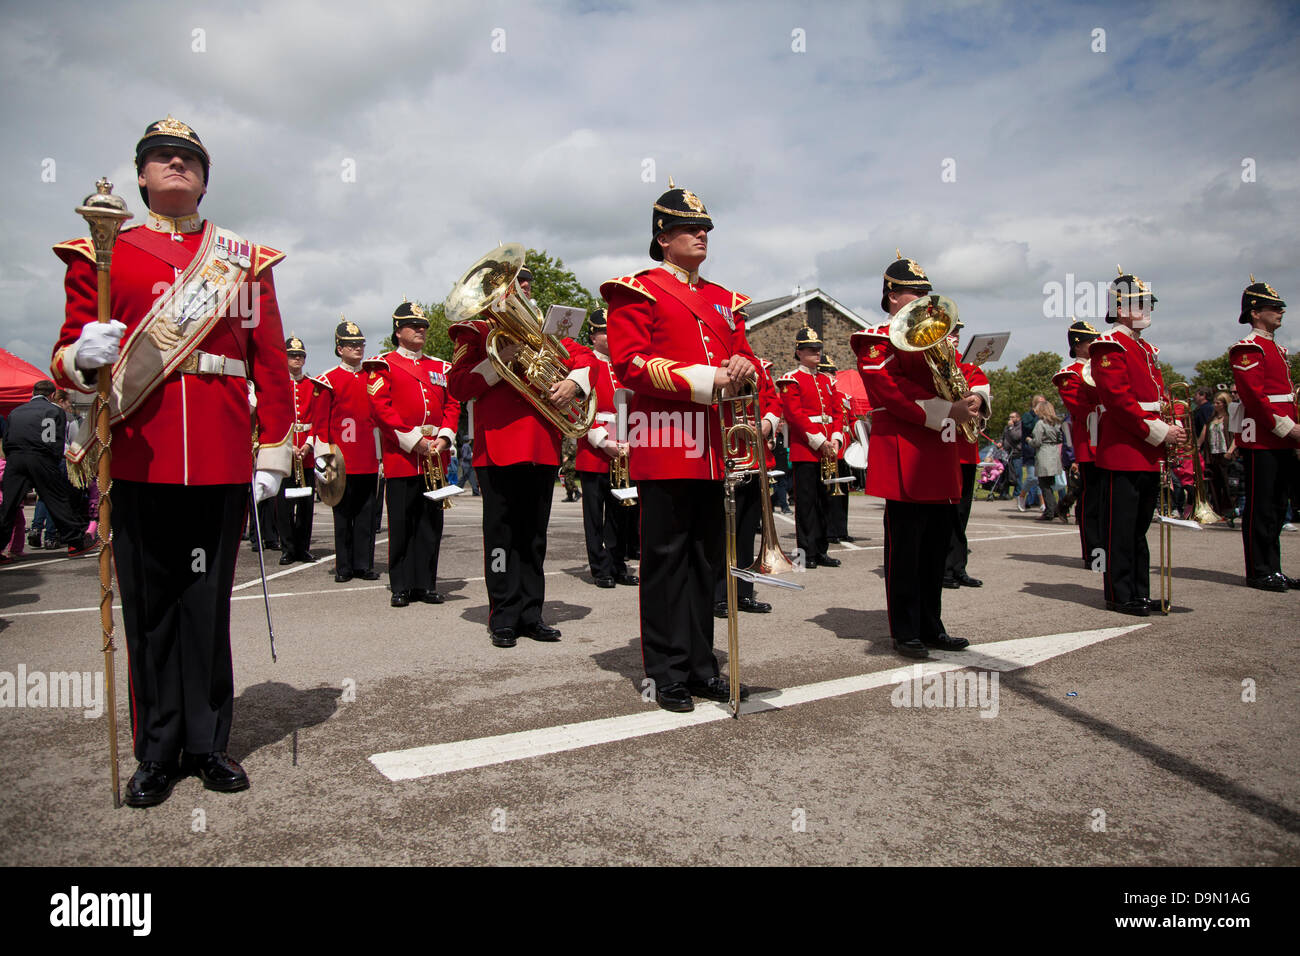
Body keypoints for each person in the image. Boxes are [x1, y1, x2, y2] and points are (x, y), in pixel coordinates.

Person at [49, 116, 294, 806]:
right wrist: (79, 357)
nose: (176, 163)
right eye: (161, 156)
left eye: (188, 156)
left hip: (218, 456)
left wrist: (274, 450)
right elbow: (66, 356)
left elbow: (270, 363)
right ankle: (157, 750)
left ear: (205, 176)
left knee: (207, 606)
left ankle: (209, 742)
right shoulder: (101, 252)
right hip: (139, 454)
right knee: (150, 611)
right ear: (141, 176)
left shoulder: (243, 260)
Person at [602, 181, 756, 711]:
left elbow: (747, 359)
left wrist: (742, 368)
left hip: (715, 449)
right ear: (663, 238)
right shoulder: (637, 289)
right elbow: (632, 364)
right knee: (666, 561)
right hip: (666, 440)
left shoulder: (723, 299)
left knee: (704, 561)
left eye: (707, 228)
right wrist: (711, 378)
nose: (703, 235)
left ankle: (699, 665)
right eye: (692, 228)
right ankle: (665, 670)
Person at [448, 274, 594, 648]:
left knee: (534, 538)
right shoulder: (476, 332)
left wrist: (574, 384)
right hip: (497, 447)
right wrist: (500, 363)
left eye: (526, 285)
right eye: (515, 285)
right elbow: (459, 385)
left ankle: (532, 612)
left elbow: (584, 358)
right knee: (501, 537)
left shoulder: (544, 331)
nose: (523, 290)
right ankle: (503, 614)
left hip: (541, 445)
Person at [850, 253, 981, 659]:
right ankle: (905, 630)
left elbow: (961, 374)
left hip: (940, 450)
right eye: (914, 293)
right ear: (891, 296)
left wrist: (975, 399)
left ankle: (931, 625)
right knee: (906, 549)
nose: (924, 300)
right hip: (905, 450)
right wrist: (948, 411)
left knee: (935, 546)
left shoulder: (936, 337)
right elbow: (889, 392)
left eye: (927, 293)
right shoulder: (875, 338)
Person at [1090, 268, 1185, 616]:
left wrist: (1170, 424)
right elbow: (1119, 401)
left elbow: (1154, 397)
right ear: (1120, 305)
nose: (1147, 310)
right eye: (1139, 303)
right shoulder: (1109, 344)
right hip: (1124, 449)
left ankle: (1139, 592)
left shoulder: (1143, 348)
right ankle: (1120, 593)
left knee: (1140, 528)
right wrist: (1159, 431)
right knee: (1120, 529)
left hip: (1146, 447)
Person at [369, 302, 460, 607]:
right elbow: (381, 410)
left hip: (436, 455)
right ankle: (401, 585)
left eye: (423, 326)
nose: (420, 330)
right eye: (413, 325)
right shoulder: (383, 365)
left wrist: (444, 438)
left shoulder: (441, 367)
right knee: (402, 523)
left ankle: (426, 584)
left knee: (430, 524)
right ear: (398, 331)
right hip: (403, 457)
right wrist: (413, 442)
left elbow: (452, 405)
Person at [1229, 279, 1299, 591]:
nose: (1280, 311)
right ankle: (1259, 569)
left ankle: (1274, 567)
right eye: (1273, 307)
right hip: (1263, 436)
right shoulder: (1248, 349)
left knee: (1276, 504)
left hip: (1281, 436)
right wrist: (1287, 427)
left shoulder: (1277, 349)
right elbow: (1256, 398)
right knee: (1261, 506)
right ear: (1255, 313)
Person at [311, 318, 383, 583]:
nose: (357, 349)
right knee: (342, 517)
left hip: (367, 459)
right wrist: (323, 461)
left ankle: (363, 564)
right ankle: (344, 566)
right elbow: (320, 425)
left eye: (360, 344)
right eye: (351, 345)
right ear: (339, 348)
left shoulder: (372, 377)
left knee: (366, 516)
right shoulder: (328, 380)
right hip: (340, 461)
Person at [574, 307, 639, 589]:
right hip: (594, 449)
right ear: (593, 335)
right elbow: (578, 408)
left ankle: (617, 562)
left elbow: (631, 408)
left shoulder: (623, 368)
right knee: (595, 514)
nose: (610, 335)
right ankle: (599, 566)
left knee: (619, 512)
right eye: (604, 330)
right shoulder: (587, 365)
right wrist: (603, 441)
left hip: (623, 448)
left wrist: (628, 441)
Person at [0, 381, 95, 561]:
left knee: (9, 506)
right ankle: (75, 542)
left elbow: (6, 440)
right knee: (56, 500)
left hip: (15, 458)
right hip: (41, 457)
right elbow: (55, 441)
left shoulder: (15, 412)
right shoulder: (54, 411)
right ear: (52, 396)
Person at [777, 327, 842, 569]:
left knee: (826, 501)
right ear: (799, 352)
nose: (817, 353)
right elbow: (795, 416)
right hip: (807, 449)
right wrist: (820, 442)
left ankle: (822, 549)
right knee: (806, 504)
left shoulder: (828, 381)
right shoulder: (791, 379)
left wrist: (835, 439)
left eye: (818, 349)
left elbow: (837, 412)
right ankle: (807, 552)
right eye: (811, 349)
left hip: (828, 448)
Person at [1053, 320, 1103, 566]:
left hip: (1110, 443)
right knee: (1091, 501)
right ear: (1078, 345)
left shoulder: (1104, 368)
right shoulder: (1069, 374)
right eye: (1090, 342)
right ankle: (1094, 554)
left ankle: (1108, 549)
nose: (1095, 345)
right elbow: (1080, 408)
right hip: (1090, 445)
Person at [942, 326, 989, 588]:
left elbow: (981, 384)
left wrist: (977, 398)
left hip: (966, 447)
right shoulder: (932, 361)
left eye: (957, 332)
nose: (956, 336)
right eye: (950, 332)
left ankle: (957, 567)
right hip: (944, 445)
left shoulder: (966, 363)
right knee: (944, 513)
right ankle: (942, 568)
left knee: (961, 513)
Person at [276, 335, 325, 565]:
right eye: (293, 356)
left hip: (305, 453)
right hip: (285, 452)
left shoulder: (312, 386)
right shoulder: (278, 385)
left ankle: (303, 547)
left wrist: (308, 445)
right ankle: (287, 547)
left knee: (305, 504)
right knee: (284, 504)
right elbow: (274, 421)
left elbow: (317, 420)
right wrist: (289, 446)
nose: (297, 359)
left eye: (300, 356)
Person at [1029, 399, 1065, 520]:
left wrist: (1029, 441)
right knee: (1050, 484)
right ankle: (1054, 508)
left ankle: (1050, 511)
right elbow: (1061, 438)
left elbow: (1037, 441)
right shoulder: (1057, 423)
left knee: (1044, 485)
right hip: (1054, 453)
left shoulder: (1040, 424)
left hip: (1044, 453)